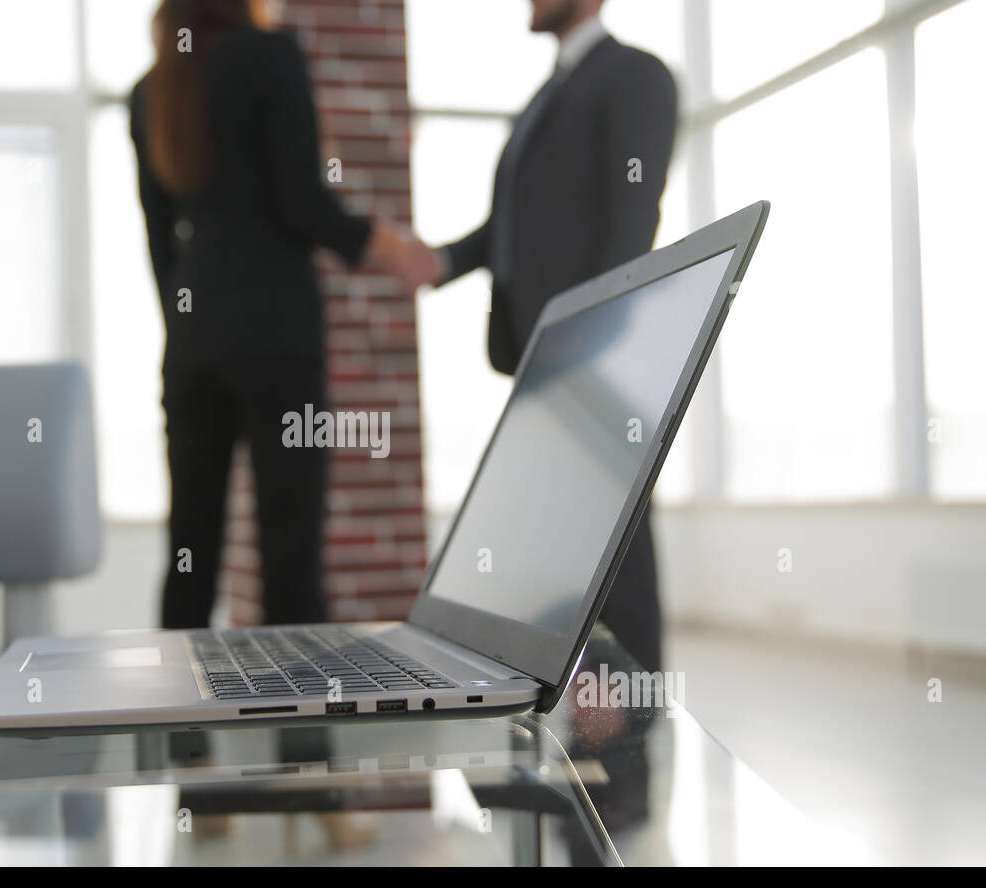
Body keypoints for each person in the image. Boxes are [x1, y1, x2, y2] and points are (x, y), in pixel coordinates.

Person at [130, 0, 428, 634]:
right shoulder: (271, 56)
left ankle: (175, 702)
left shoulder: (153, 87)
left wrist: (186, 328)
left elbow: (159, 238)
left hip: (193, 345)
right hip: (277, 340)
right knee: (291, 554)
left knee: (189, 552)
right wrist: (387, 244)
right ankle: (302, 704)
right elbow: (302, 204)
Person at [422, 0, 678, 672]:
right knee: (568, 552)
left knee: (615, 553)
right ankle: (583, 711)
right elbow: (509, 221)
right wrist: (440, 262)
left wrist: (591, 345)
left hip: (590, 359)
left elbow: (631, 224)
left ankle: (638, 722)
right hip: (544, 357)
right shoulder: (547, 95)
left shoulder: (633, 75)